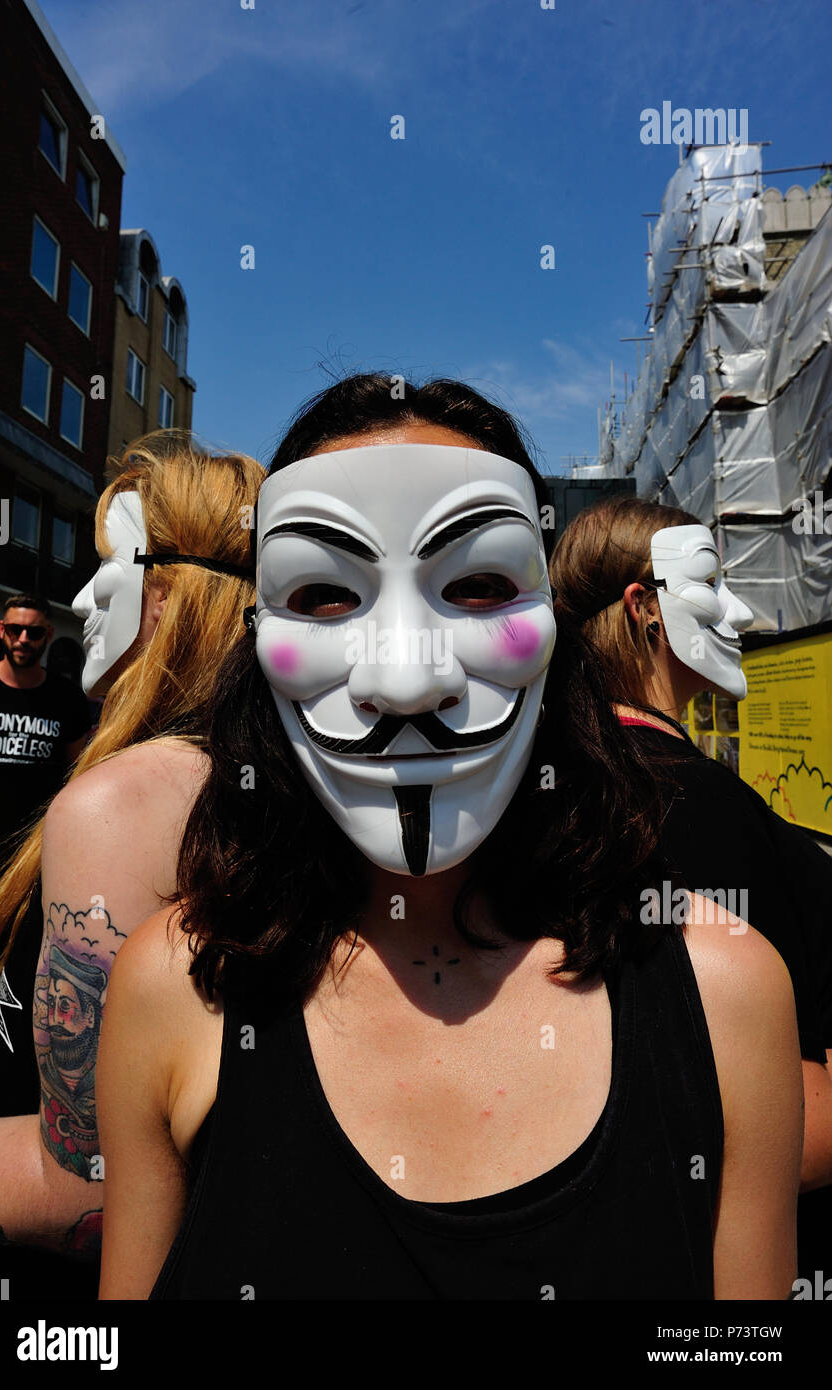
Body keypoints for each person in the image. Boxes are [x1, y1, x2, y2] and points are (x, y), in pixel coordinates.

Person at [97, 374, 801, 1301]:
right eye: (321, 595)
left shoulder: (724, 991)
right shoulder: (174, 986)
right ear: (256, 636)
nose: (402, 680)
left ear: (552, 625)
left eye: (474, 586)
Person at [0, 431, 262, 1299]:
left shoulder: (126, 802)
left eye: (115, 564)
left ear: (183, 595)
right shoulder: (238, 777)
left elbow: (88, 1183)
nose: (82, 594)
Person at [549, 496, 832, 1276]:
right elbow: (789, 1130)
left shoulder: (538, 793)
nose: (737, 611)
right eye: (710, 583)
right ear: (643, 608)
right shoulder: (702, 812)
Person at [0, 594, 92, 927]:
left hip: (33, 853)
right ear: (2, 630)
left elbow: (75, 772)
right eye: (15, 630)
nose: (23, 640)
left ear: (48, 636)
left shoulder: (67, 698)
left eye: (34, 633)